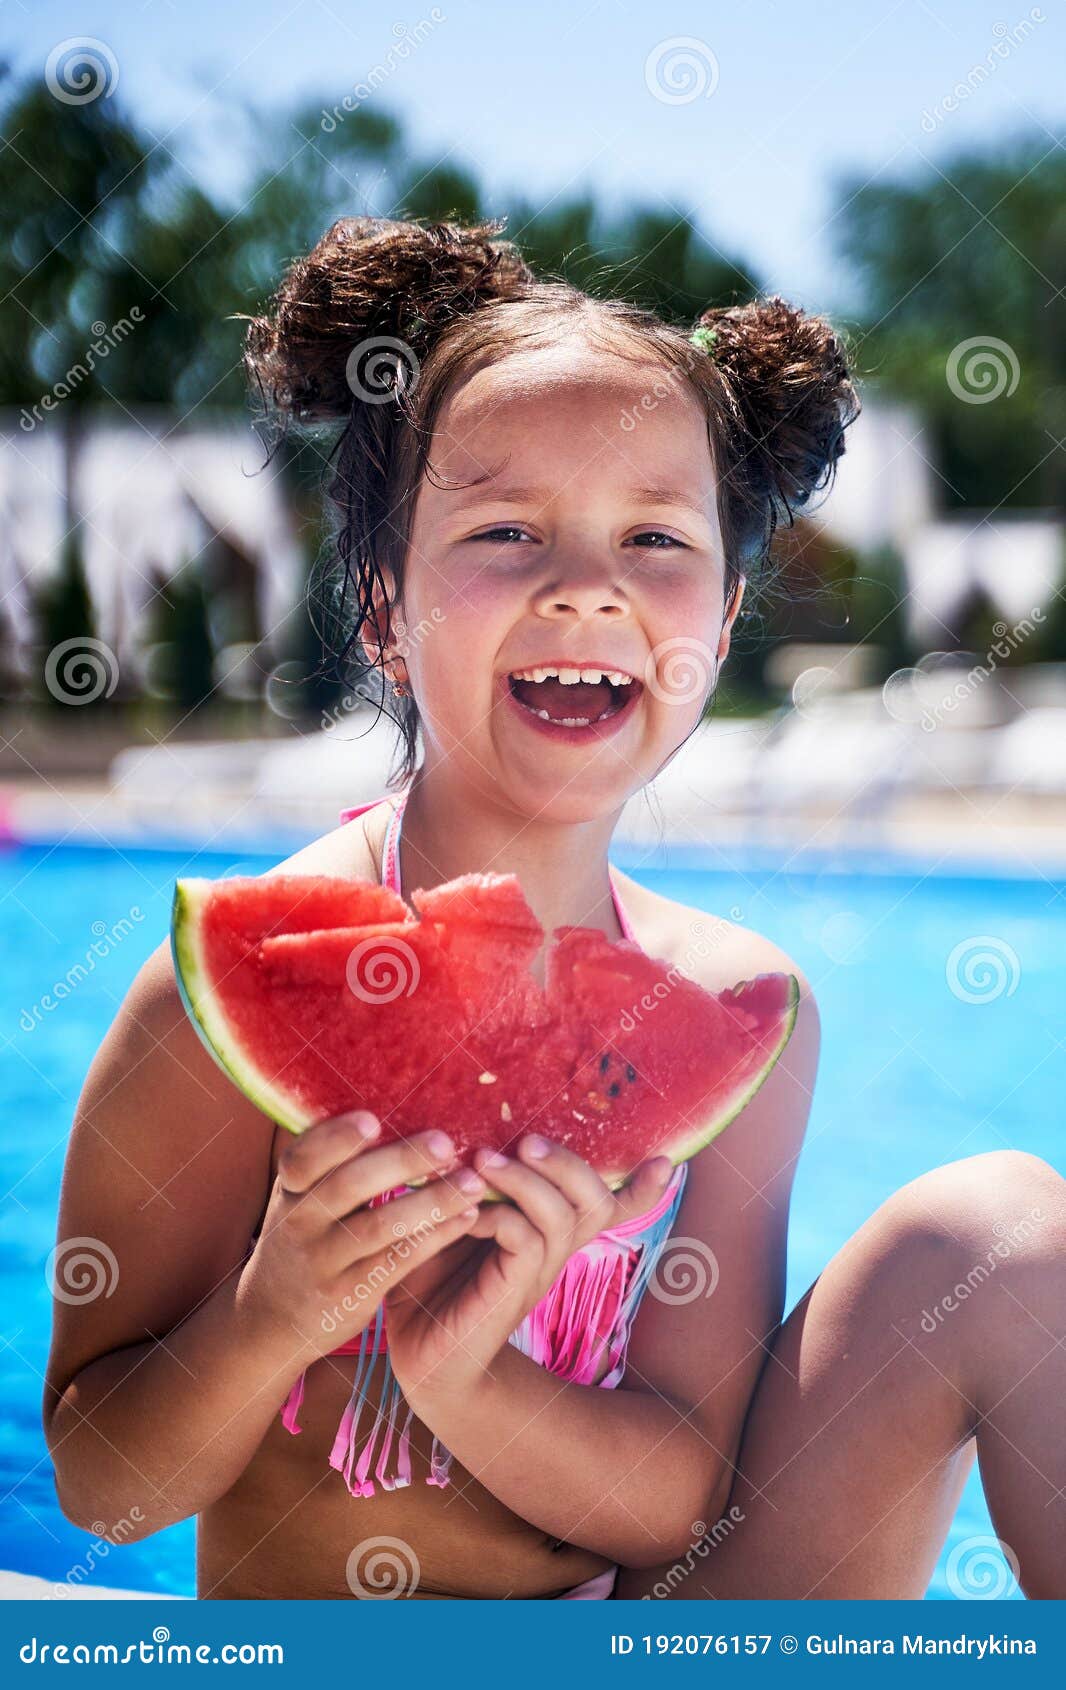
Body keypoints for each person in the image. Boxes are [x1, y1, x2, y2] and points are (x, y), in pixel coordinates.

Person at [44, 218, 1066, 1601]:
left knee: (1001, 1231)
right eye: (506, 530)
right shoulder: (240, 975)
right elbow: (108, 1489)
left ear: (720, 613)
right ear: (382, 607)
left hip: (646, 1635)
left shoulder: (738, 1012)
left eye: (653, 536)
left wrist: (456, 1369)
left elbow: (673, 1504)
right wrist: (273, 1311)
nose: (585, 584)